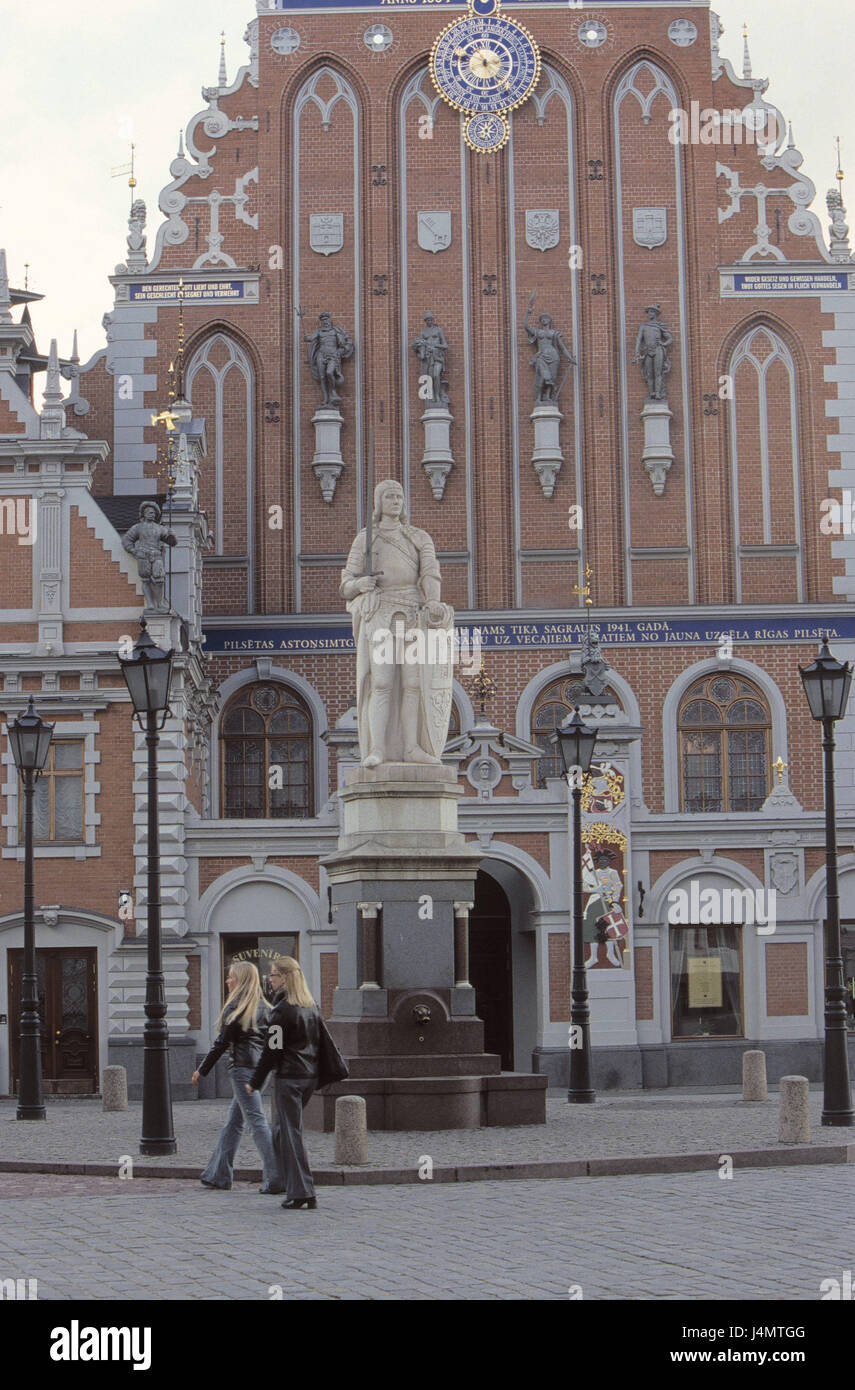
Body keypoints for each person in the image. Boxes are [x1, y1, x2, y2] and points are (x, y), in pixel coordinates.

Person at [191, 961, 281, 1193]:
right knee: (234, 1123)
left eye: (231, 977)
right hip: (258, 1070)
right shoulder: (267, 1009)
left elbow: (221, 1044)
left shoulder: (235, 1009)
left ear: (240, 981)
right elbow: (274, 1044)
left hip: (241, 1070)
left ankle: (276, 1177)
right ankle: (218, 1174)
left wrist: (201, 1070)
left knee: (257, 1122)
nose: (227, 981)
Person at [246, 956, 321, 1211]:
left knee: (289, 1135)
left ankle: (302, 1192)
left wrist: (255, 1081)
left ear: (286, 978)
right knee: (283, 1132)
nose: (270, 978)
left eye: (275, 974)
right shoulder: (311, 1006)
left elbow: (272, 1050)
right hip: (308, 1076)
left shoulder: (281, 1011)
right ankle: (298, 1188)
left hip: (289, 1078)